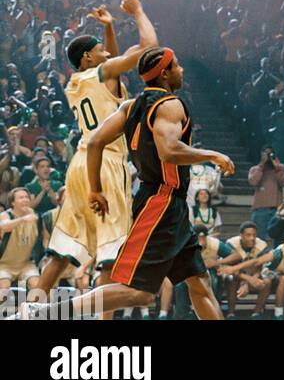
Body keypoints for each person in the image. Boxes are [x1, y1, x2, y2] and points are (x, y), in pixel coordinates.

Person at [20, 47, 235, 321]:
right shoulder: (170, 105)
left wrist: (95, 188)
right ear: (165, 73)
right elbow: (168, 151)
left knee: (200, 283)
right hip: (162, 202)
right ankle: (48, 312)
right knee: (140, 293)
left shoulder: (129, 106)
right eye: (177, 65)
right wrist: (212, 154)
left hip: (170, 206)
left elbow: (96, 141)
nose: (181, 70)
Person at [35, 0, 157, 305]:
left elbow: (112, 68)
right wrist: (138, 12)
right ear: (88, 57)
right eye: (100, 49)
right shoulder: (101, 73)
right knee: (110, 255)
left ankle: (28, 312)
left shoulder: (78, 81)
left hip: (80, 162)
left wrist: (109, 30)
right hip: (105, 161)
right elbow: (148, 49)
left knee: (62, 252)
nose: (105, 51)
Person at [173, 224, 240, 319]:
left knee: (212, 282)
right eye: (199, 237)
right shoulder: (185, 244)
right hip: (188, 271)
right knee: (180, 285)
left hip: (210, 271)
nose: (202, 240)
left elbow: (236, 256)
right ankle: (182, 315)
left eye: (203, 237)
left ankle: (211, 312)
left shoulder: (214, 243)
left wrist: (217, 262)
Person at [0, 188, 40, 296]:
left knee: (37, 286)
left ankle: (31, 311)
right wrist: (23, 219)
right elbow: (4, 226)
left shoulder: (33, 214)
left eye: (27, 197)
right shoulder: (5, 215)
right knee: (4, 287)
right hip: (4, 264)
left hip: (25, 263)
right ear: (12, 202)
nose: (25, 200)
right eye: (21, 197)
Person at [224, 222, 270, 317]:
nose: (252, 238)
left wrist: (252, 280)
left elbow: (260, 266)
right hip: (236, 274)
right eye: (248, 235)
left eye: (254, 235)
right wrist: (248, 280)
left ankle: (257, 313)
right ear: (241, 235)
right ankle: (231, 314)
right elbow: (232, 269)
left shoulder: (261, 244)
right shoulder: (231, 244)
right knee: (231, 280)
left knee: (267, 281)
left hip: (253, 273)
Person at [248, 147, 284, 236]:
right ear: (261, 155)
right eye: (266, 154)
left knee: (278, 237)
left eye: (270, 154)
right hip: (260, 209)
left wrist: (277, 168)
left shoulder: (280, 167)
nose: (268, 156)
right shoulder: (255, 169)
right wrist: (262, 165)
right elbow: (253, 181)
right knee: (259, 238)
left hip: (277, 209)